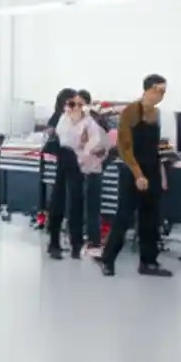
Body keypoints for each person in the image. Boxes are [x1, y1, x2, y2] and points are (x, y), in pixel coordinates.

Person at [100, 74, 172, 277]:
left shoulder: (156, 115)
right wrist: (138, 174)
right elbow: (124, 147)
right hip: (132, 171)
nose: (162, 95)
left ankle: (148, 262)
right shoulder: (131, 112)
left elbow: (156, 147)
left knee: (151, 217)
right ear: (148, 89)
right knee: (124, 216)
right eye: (160, 90)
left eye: (164, 91)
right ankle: (108, 259)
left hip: (152, 170)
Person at [64, 90, 111, 259]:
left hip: (93, 170)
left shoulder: (96, 122)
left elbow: (105, 146)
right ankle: (75, 242)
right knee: (75, 206)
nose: (77, 107)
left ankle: (94, 242)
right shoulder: (72, 122)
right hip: (77, 169)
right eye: (74, 104)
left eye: (81, 104)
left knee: (92, 207)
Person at [43, 88, 78, 257]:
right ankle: (54, 242)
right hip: (64, 164)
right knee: (59, 202)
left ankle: (72, 243)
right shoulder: (58, 117)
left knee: (74, 204)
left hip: (76, 165)